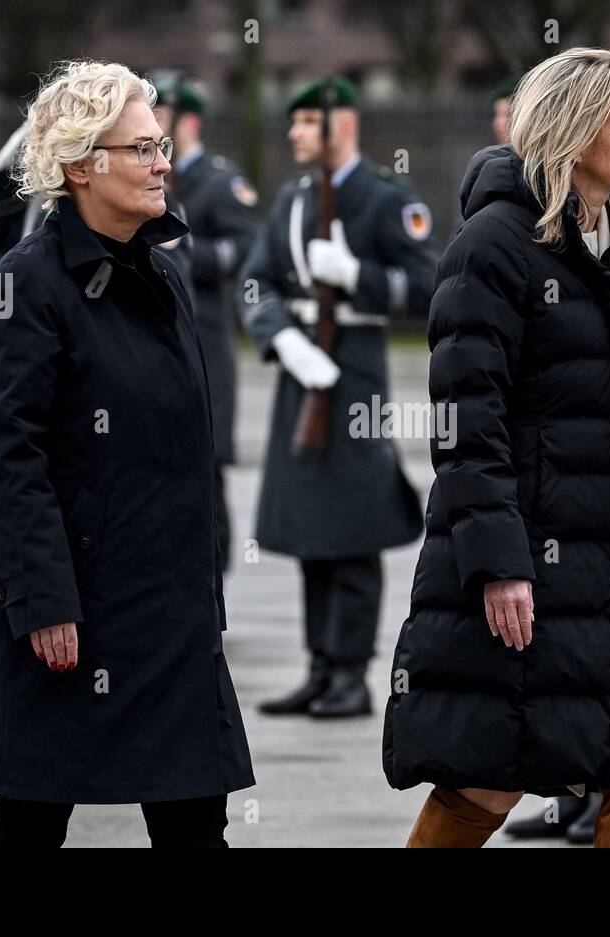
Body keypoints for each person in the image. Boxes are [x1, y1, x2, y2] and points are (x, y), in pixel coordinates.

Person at [383, 48, 610, 848]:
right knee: (489, 773)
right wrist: (500, 562)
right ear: (574, 133)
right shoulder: (490, 246)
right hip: (528, 563)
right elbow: (467, 422)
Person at [0, 59, 254, 847]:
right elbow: (9, 459)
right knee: (32, 817)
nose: (164, 162)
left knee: (197, 822)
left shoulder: (166, 273)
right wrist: (42, 599)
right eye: (140, 148)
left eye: (160, 144)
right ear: (79, 166)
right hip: (76, 612)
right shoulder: (27, 285)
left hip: (170, 613)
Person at [238, 76, 437, 719]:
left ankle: (352, 670)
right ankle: (320, 664)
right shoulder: (294, 199)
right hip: (304, 367)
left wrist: (358, 277)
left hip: (354, 373)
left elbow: (430, 286)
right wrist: (282, 341)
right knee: (311, 520)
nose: (293, 134)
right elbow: (255, 281)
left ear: (342, 124)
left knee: (353, 521)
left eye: (305, 123)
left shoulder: (384, 198)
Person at [159, 78, 259, 571]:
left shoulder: (219, 182)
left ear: (189, 123)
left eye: (162, 117)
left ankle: (213, 571)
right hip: (159, 334)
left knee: (207, 460)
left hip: (208, 334)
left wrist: (187, 252)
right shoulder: (147, 175)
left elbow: (246, 248)